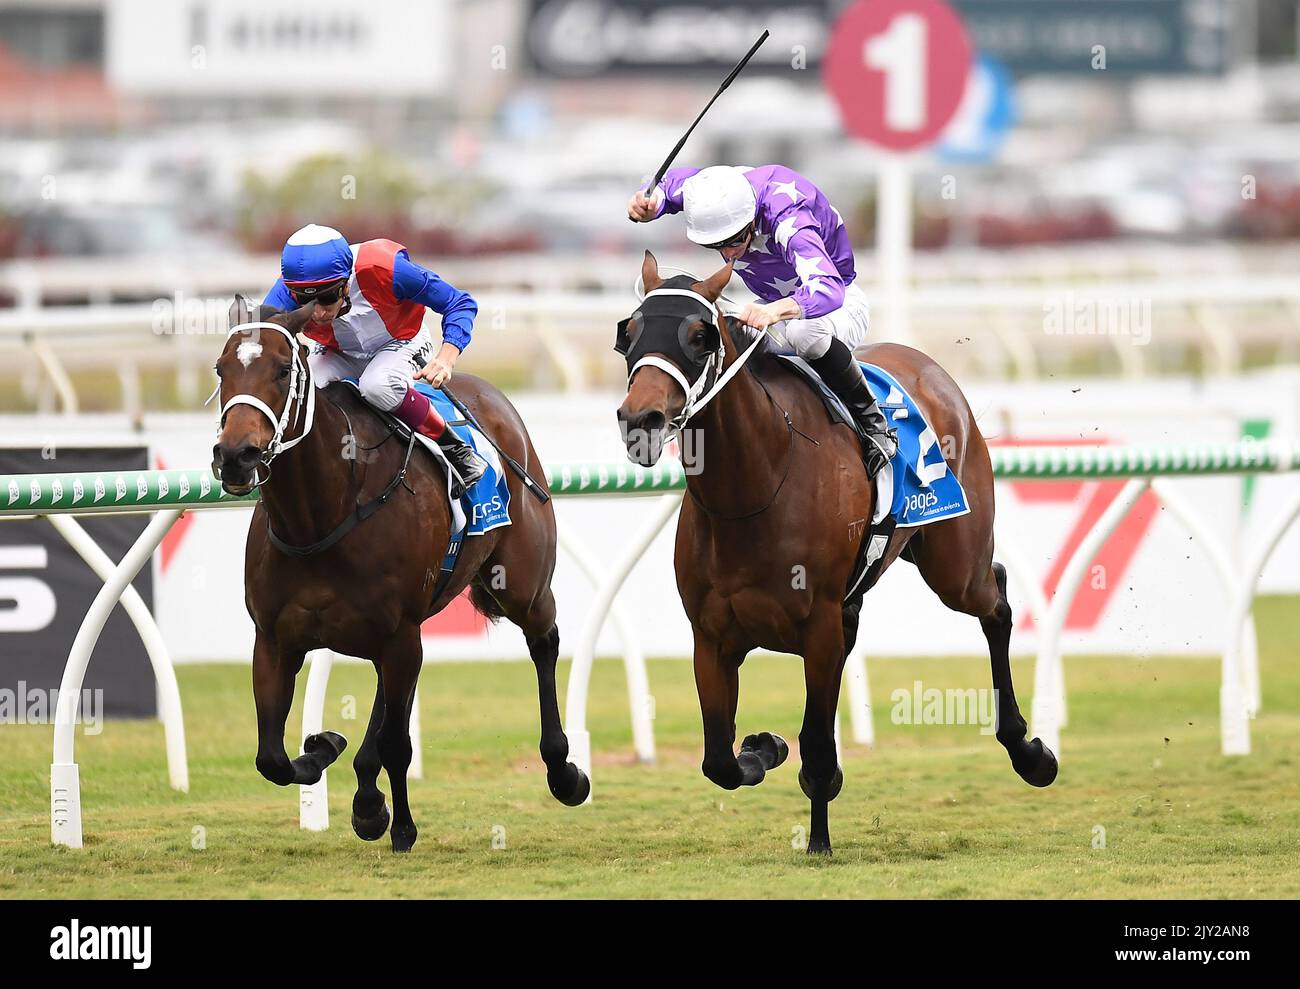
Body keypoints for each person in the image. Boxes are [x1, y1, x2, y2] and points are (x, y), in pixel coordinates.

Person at [628, 164, 898, 477]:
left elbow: (828, 289)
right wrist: (650, 202)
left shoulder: (789, 218)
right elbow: (669, 183)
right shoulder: (711, 193)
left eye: (735, 240)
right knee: (721, 337)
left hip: (835, 303)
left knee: (803, 332)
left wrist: (775, 311)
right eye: (716, 245)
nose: (728, 252)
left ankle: (874, 424)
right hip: (773, 306)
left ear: (751, 217)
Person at [264, 224, 486, 497]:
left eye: (328, 297)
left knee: (377, 384)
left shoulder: (384, 268)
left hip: (402, 341)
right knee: (307, 390)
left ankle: (454, 448)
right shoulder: (281, 295)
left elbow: (459, 302)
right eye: (306, 301)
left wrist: (446, 358)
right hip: (339, 351)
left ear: (346, 282)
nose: (319, 313)